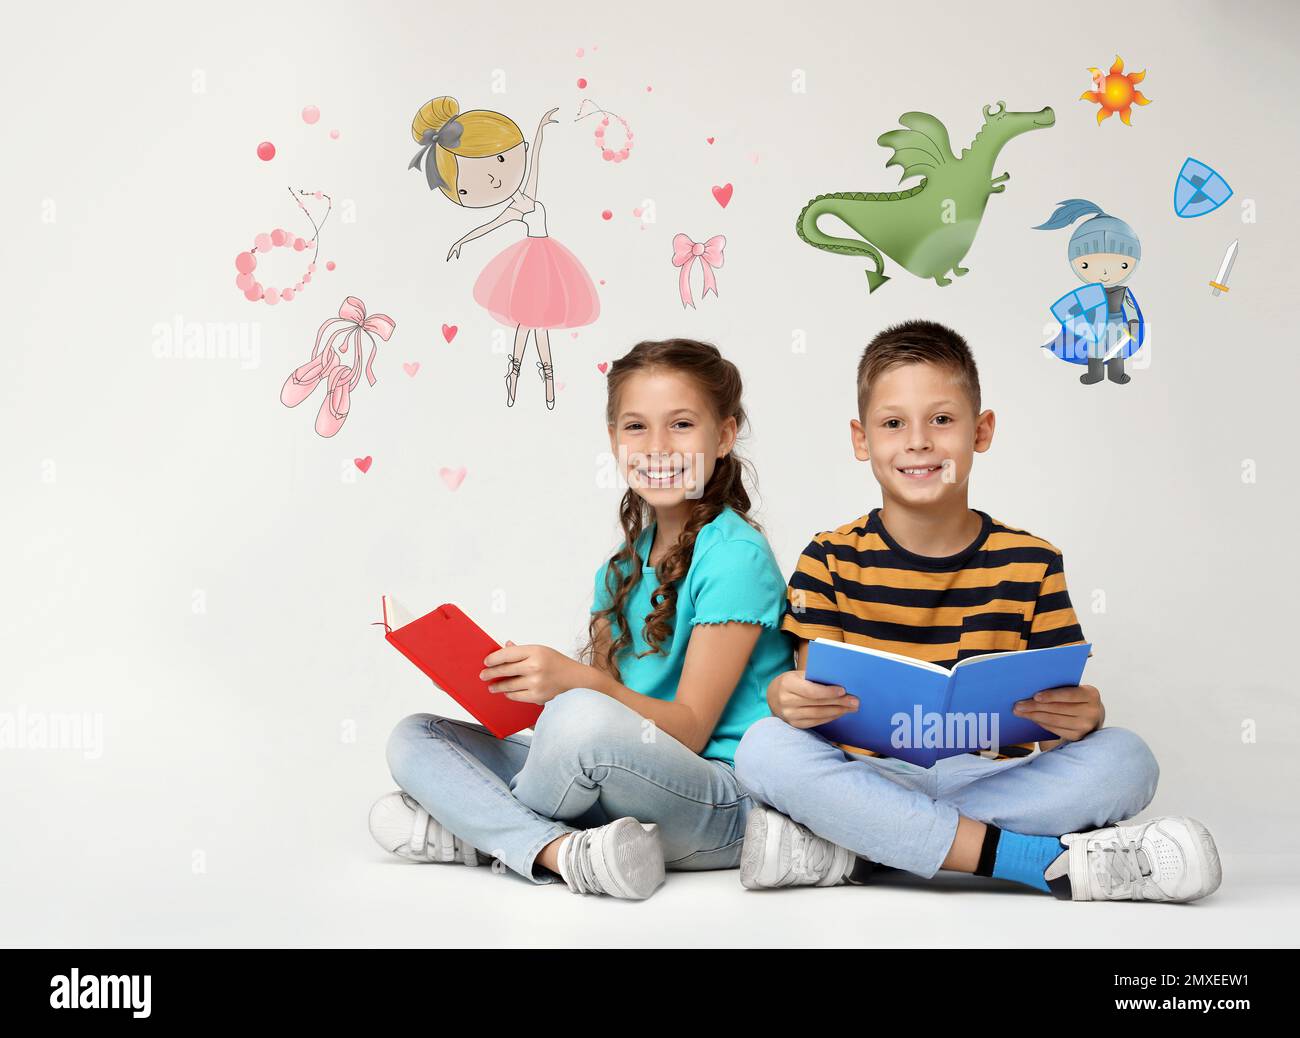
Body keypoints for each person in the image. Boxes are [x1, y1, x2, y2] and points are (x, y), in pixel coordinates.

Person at [733, 320, 1221, 903]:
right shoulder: (829, 558)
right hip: (871, 775)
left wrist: (1079, 719)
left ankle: (858, 845)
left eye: (942, 419)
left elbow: (1050, 731)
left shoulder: (1032, 562)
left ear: (981, 430)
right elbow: (820, 710)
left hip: (994, 776)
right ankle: (1036, 862)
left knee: (1127, 761)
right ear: (862, 440)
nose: (918, 442)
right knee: (764, 747)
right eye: (894, 424)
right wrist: (788, 697)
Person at [371, 338, 791, 899]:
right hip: (622, 778)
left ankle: (480, 831)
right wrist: (524, 684)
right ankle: (562, 850)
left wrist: (576, 683)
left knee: (577, 722)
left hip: (718, 798)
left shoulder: (734, 555)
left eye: (682, 425)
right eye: (636, 427)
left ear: (725, 435)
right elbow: (608, 722)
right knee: (415, 736)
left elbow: (687, 731)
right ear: (613, 439)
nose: (658, 447)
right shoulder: (621, 568)